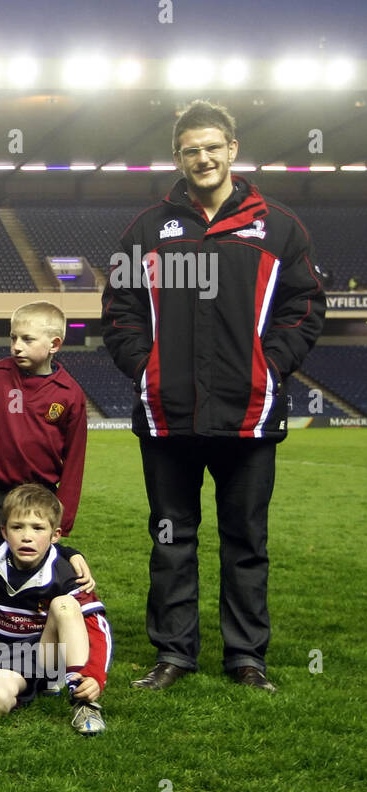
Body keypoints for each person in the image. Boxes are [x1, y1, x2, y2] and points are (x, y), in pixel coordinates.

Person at [102, 99, 326, 693]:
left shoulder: (278, 226)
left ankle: (246, 657)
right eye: (189, 150)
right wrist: (145, 368)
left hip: (248, 414)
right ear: (177, 157)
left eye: (212, 147)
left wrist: (268, 368)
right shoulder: (149, 229)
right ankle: (174, 654)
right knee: (171, 538)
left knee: (245, 541)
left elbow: (303, 308)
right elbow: (120, 308)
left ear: (232, 149)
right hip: (169, 414)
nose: (202, 158)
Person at [0, 485, 111, 735]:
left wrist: (95, 677)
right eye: (17, 527)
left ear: (55, 534)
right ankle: (33, 685)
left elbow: (97, 626)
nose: (27, 536)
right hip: (0, 656)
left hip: (46, 654)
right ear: (3, 531)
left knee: (65, 604)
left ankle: (83, 702)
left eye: (37, 528)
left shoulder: (66, 571)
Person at [0, 301, 88, 535]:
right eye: (13, 338)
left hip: (40, 495)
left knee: (29, 560)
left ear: (54, 345)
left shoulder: (69, 393)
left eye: (27, 339)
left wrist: (65, 515)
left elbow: (75, 459)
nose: (17, 346)